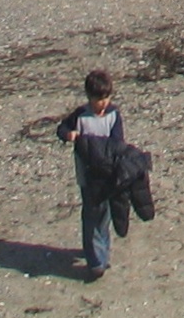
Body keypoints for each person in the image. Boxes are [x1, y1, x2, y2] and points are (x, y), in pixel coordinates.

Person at [57, 70, 125, 278]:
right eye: (98, 99)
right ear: (89, 97)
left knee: (104, 215)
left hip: (108, 175)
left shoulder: (113, 115)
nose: (102, 103)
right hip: (87, 176)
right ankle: (96, 262)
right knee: (91, 214)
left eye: (106, 98)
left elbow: (118, 143)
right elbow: (61, 129)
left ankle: (101, 253)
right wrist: (69, 134)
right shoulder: (80, 116)